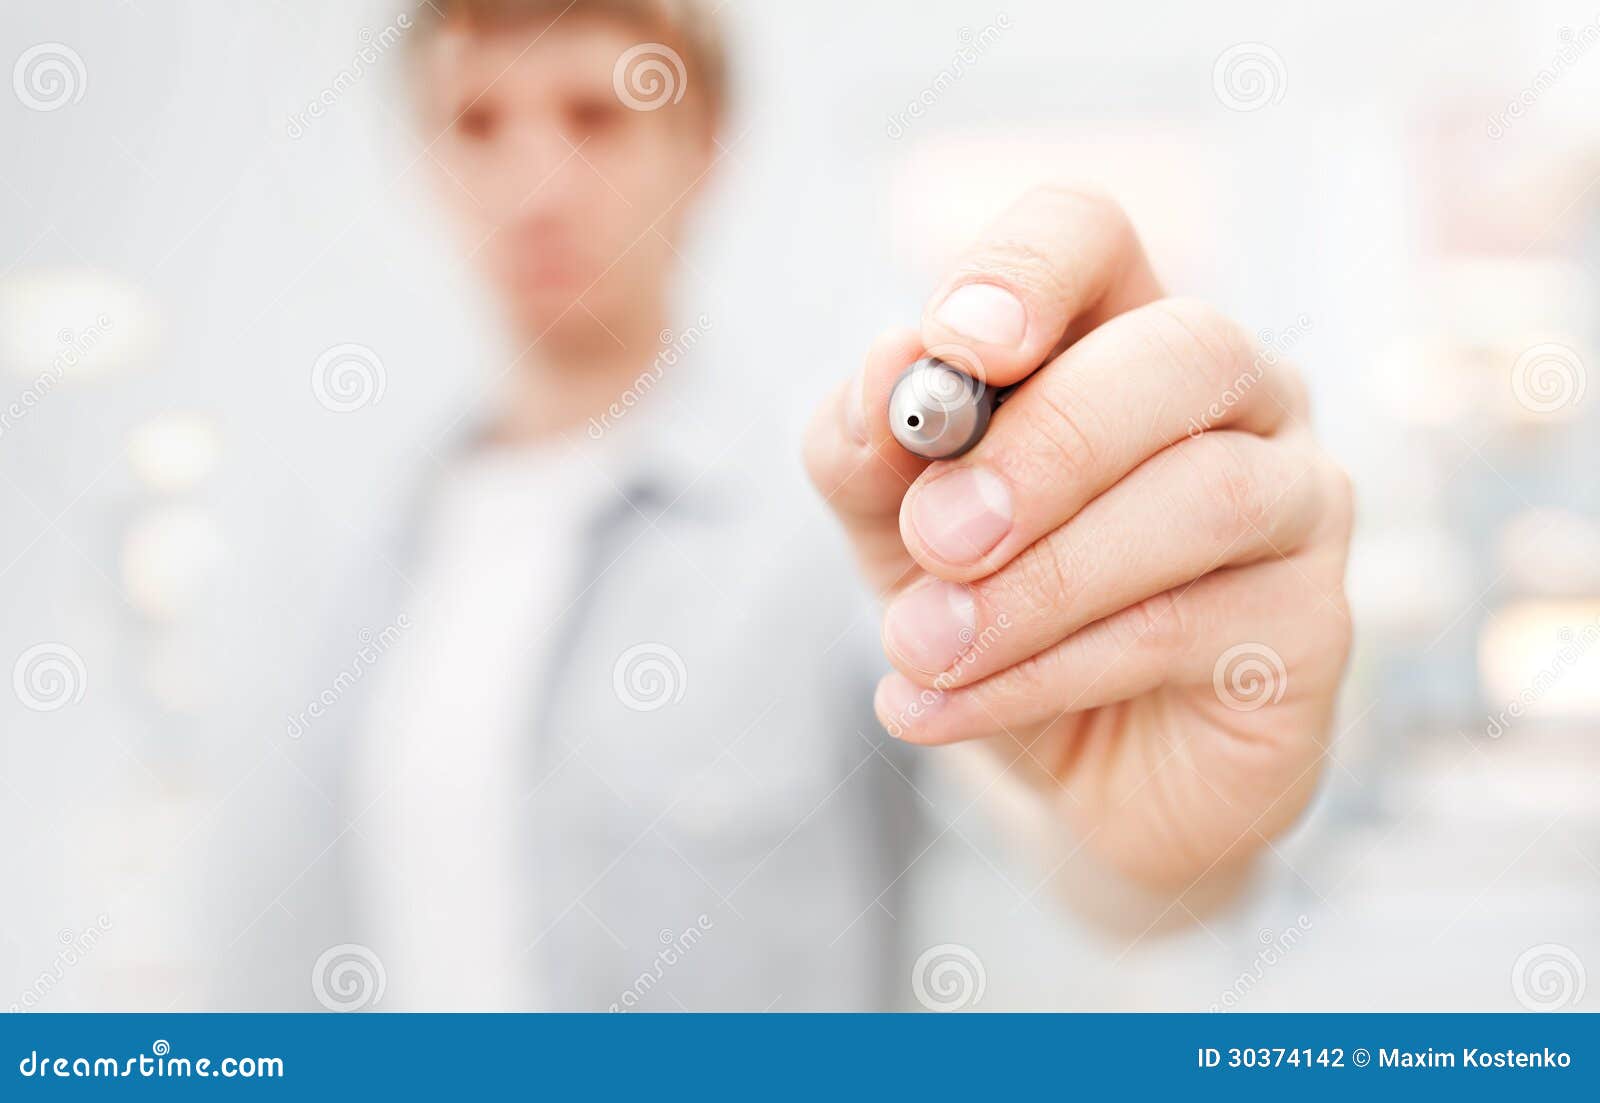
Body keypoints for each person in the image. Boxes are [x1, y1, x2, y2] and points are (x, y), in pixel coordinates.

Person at [248, 0, 1353, 1011]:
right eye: (478, 122)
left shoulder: (845, 520)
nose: (536, 183)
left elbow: (1087, 856)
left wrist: (1171, 850)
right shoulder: (358, 555)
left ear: (703, 148)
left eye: (596, 115)